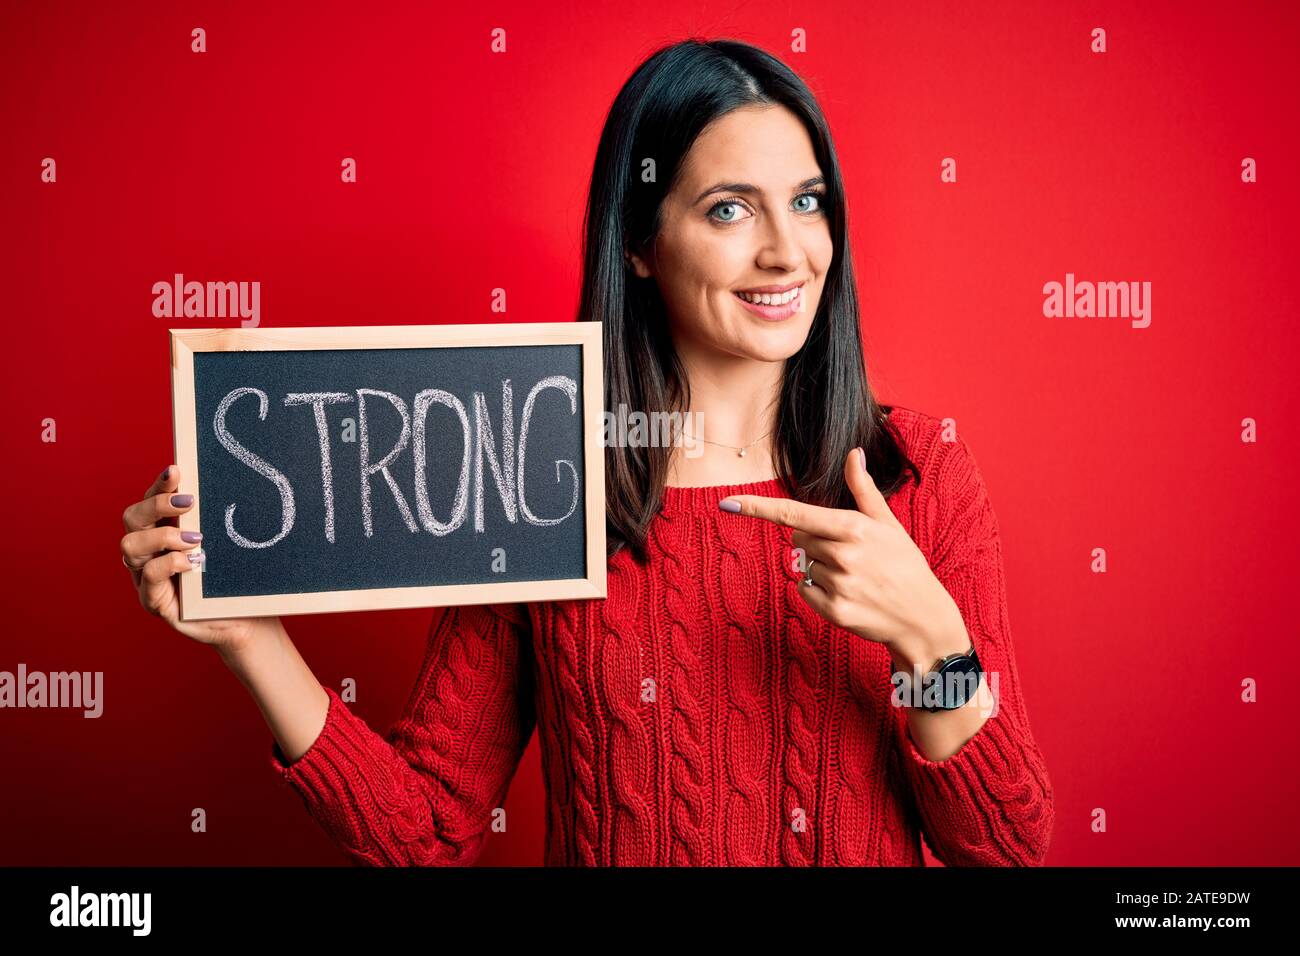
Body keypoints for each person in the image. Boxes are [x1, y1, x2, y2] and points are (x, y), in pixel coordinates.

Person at [119, 38, 1053, 866]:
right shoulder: (540, 477)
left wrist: (934, 643)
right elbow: (426, 832)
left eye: (807, 202)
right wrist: (247, 632)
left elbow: (1006, 847)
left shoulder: (917, 472)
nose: (787, 252)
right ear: (641, 243)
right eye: (730, 210)